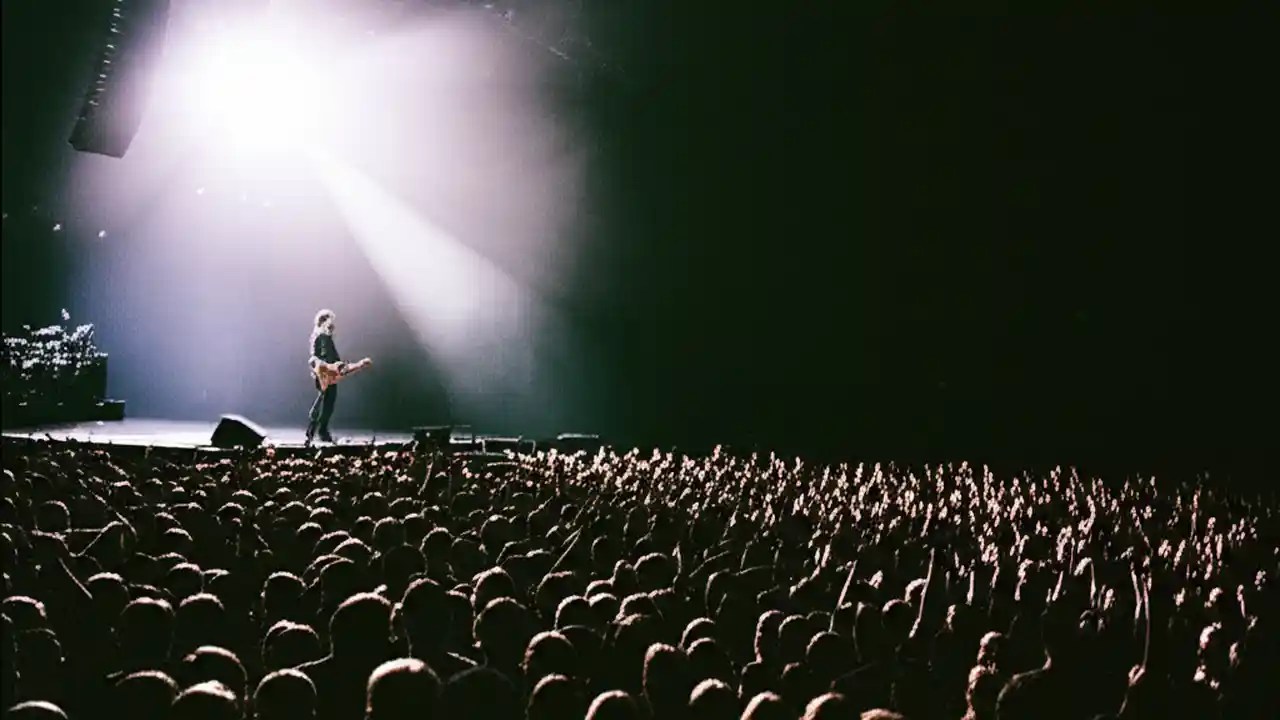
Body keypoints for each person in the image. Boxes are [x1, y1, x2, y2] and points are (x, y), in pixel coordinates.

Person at [306, 309, 342, 444]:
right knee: (326, 402)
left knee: (324, 401)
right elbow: (324, 355)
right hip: (326, 372)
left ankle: (316, 430)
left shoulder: (319, 335)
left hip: (325, 372)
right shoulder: (322, 336)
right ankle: (320, 431)